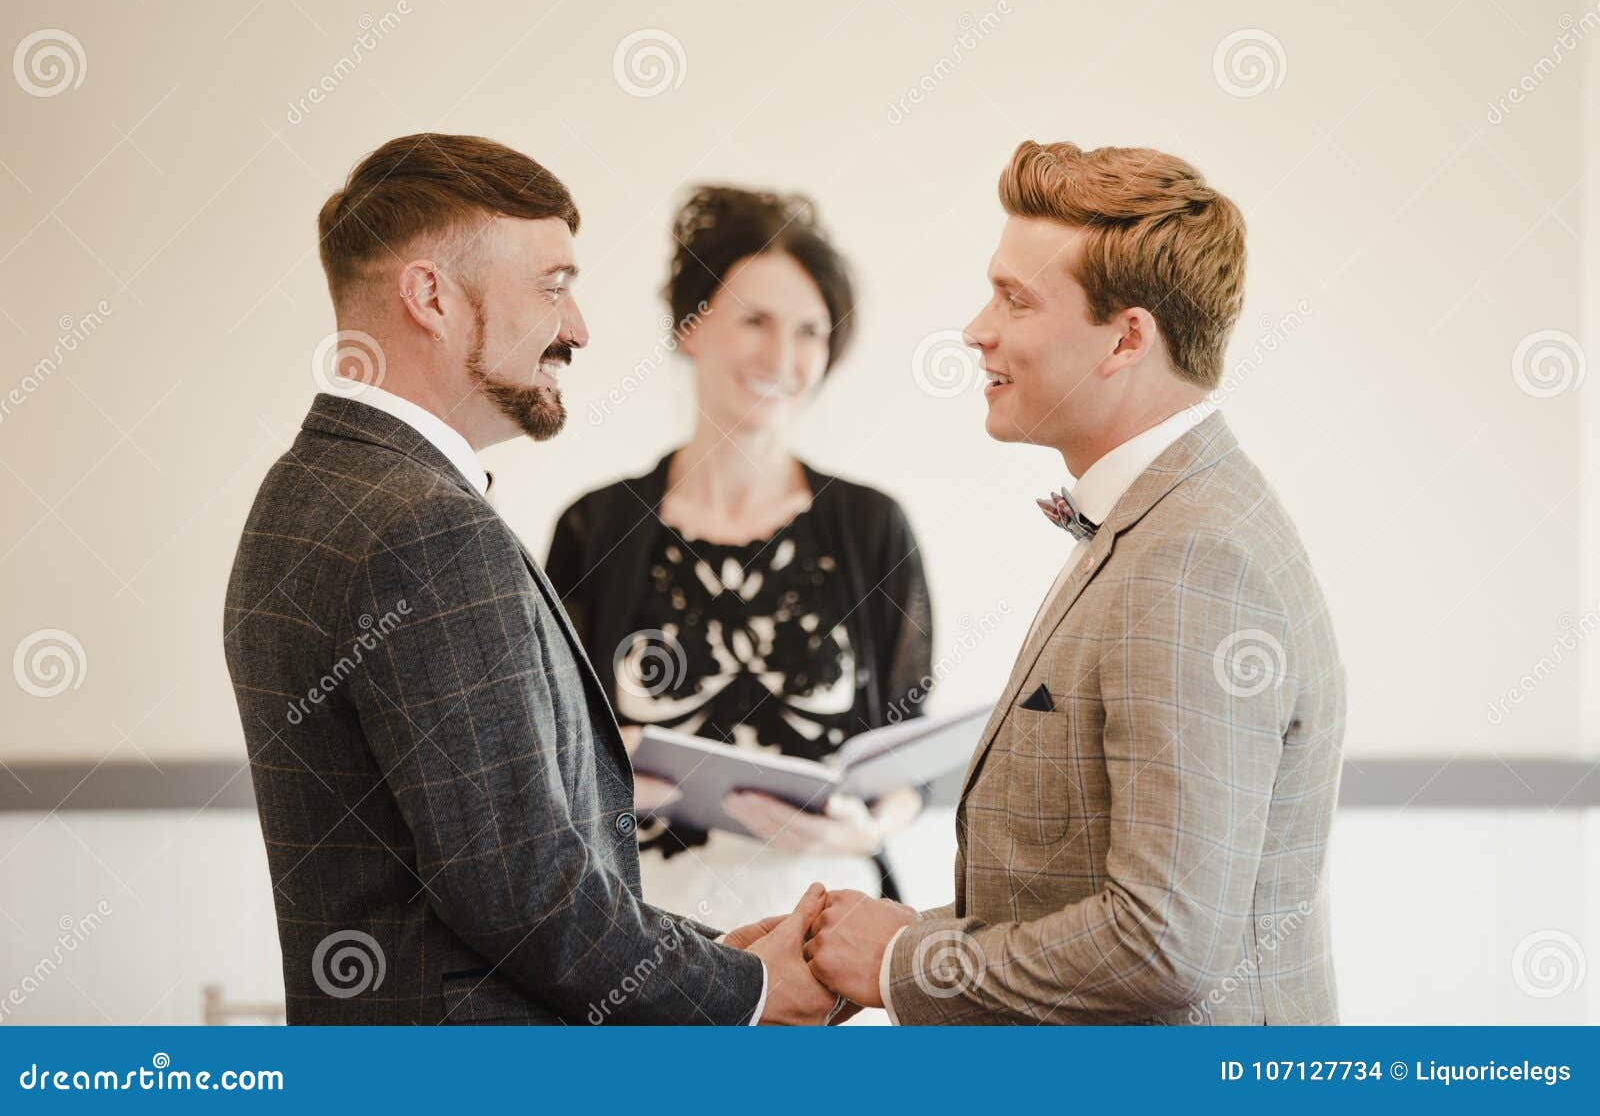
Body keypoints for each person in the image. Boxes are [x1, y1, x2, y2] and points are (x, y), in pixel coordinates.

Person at [223, 133, 835, 1024]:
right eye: (553, 286)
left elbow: (496, 873)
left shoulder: (309, 489)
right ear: (429, 296)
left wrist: (711, 952)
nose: (578, 327)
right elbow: (523, 894)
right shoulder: (424, 526)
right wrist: (750, 991)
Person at [802, 140, 1347, 1025]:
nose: (977, 329)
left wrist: (907, 961)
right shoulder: (1166, 516)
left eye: (1014, 299)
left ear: (1127, 337)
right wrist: (904, 937)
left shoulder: (1193, 558)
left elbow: (1162, 942)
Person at [546, 185, 933, 932]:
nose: (783, 358)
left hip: (831, 925)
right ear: (692, 327)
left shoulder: (870, 526)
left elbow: (908, 749)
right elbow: (546, 745)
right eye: (755, 320)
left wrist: (871, 826)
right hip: (639, 931)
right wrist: (611, 769)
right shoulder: (595, 528)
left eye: (811, 332)